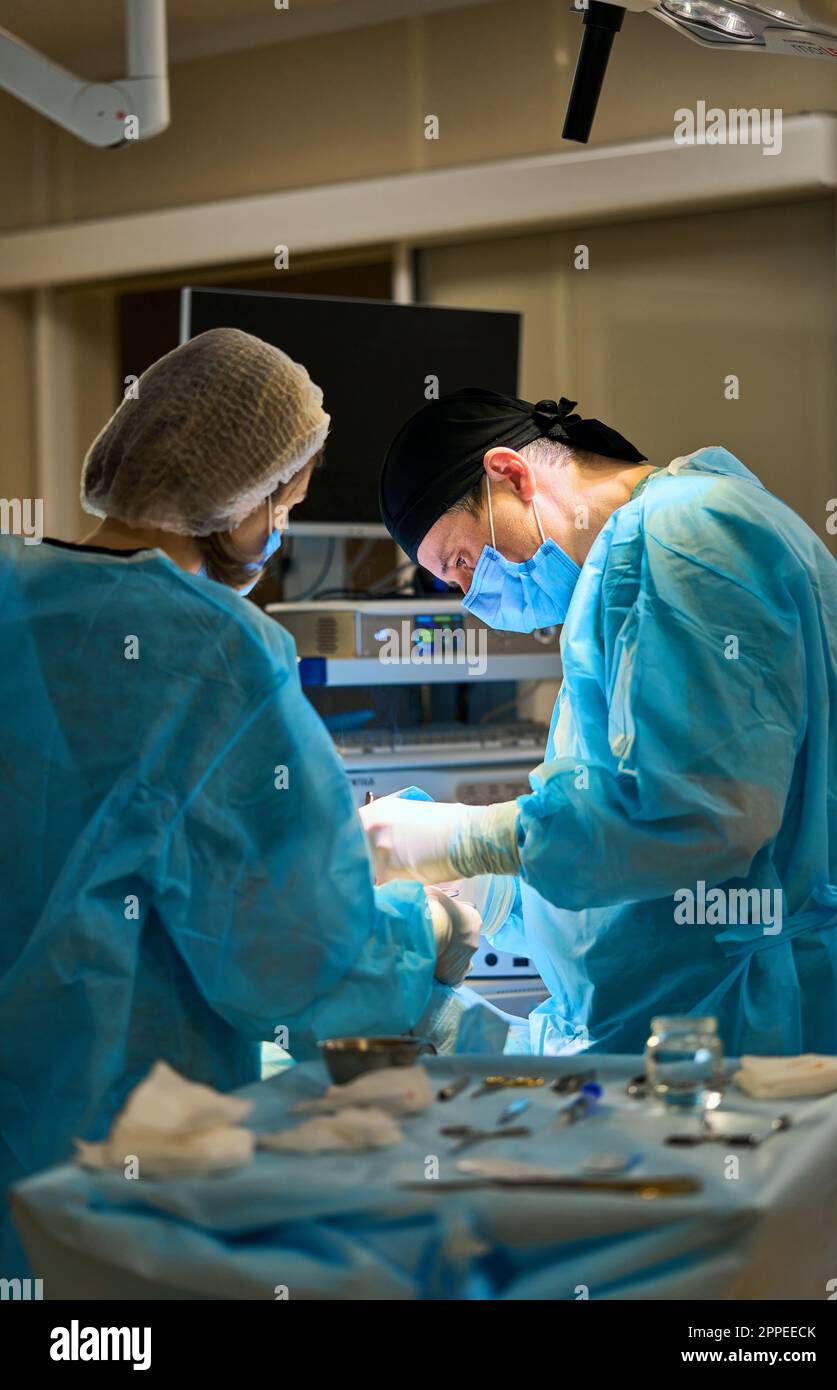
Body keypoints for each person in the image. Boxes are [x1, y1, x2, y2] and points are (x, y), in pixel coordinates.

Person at [0, 329, 478, 1279]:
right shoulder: (211, 650)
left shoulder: (17, 593)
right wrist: (427, 933)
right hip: (113, 1153)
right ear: (236, 493)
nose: (278, 536)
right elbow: (296, 955)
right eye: (283, 507)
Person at [362, 387, 837, 1059]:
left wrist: (470, 836)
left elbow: (699, 819)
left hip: (738, 1028)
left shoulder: (678, 540)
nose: (471, 595)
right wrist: (494, 890)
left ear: (510, 475)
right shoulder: (644, 564)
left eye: (461, 561)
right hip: (716, 1011)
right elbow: (637, 861)